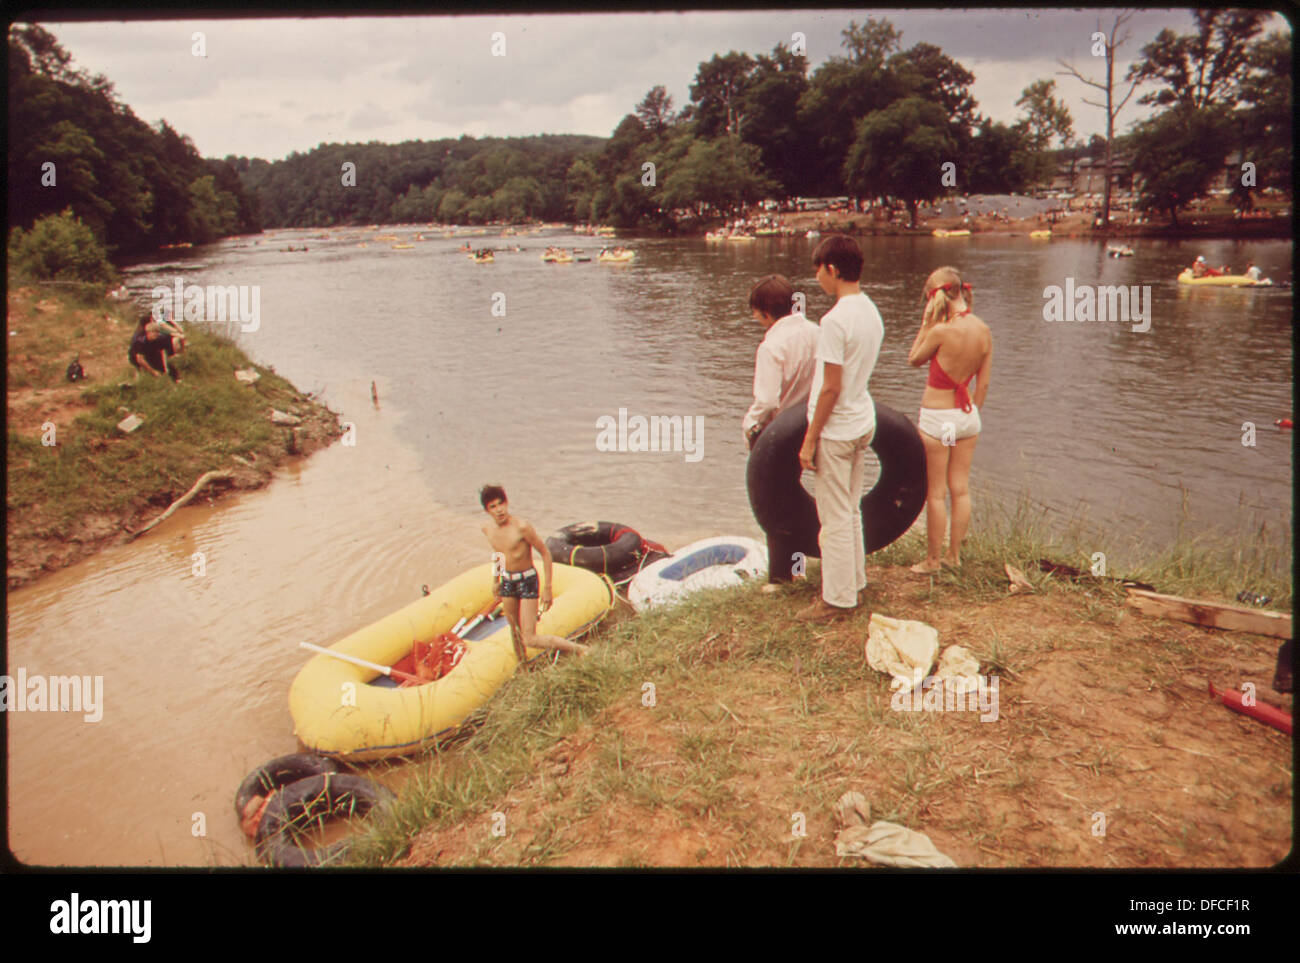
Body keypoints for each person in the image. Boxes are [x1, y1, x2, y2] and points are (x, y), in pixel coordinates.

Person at [795, 235, 883, 622]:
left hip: (837, 429)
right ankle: (855, 581)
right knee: (851, 510)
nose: (817, 278)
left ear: (832, 269)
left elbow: (830, 386)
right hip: (862, 420)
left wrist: (810, 438)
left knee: (833, 518)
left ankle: (837, 600)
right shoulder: (870, 311)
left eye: (818, 270)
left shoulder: (834, 321)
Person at [906, 266, 992, 573]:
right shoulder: (982, 329)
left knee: (937, 492)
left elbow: (914, 358)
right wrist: (971, 416)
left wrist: (927, 323)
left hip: (938, 419)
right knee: (961, 489)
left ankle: (932, 561)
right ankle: (954, 557)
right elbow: (982, 384)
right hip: (968, 417)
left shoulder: (940, 330)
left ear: (936, 296)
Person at [742, 275, 820, 593]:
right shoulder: (818, 332)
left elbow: (767, 401)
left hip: (779, 433)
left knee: (774, 505)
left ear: (763, 312)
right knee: (796, 499)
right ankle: (798, 570)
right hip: (813, 425)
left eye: (755, 312)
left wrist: (750, 424)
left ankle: (781, 578)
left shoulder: (771, 345)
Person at [480, 484, 590, 662]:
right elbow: (498, 554)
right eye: (493, 507)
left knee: (529, 638)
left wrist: (547, 587)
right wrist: (496, 580)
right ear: (487, 511)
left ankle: (580, 649)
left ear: (506, 503)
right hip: (508, 581)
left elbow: (545, 553)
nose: (499, 510)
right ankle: (523, 667)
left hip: (527, 580)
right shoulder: (488, 530)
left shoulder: (522, 527)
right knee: (514, 632)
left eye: (501, 504)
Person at [128, 313, 181, 383]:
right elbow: (140, 359)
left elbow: (163, 352)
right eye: (153, 333)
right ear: (148, 332)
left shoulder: (159, 339)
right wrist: (153, 372)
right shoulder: (140, 341)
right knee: (146, 367)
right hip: (136, 356)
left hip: (151, 352)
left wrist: (165, 367)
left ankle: (177, 381)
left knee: (169, 368)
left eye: (157, 333)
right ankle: (141, 371)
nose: (156, 334)